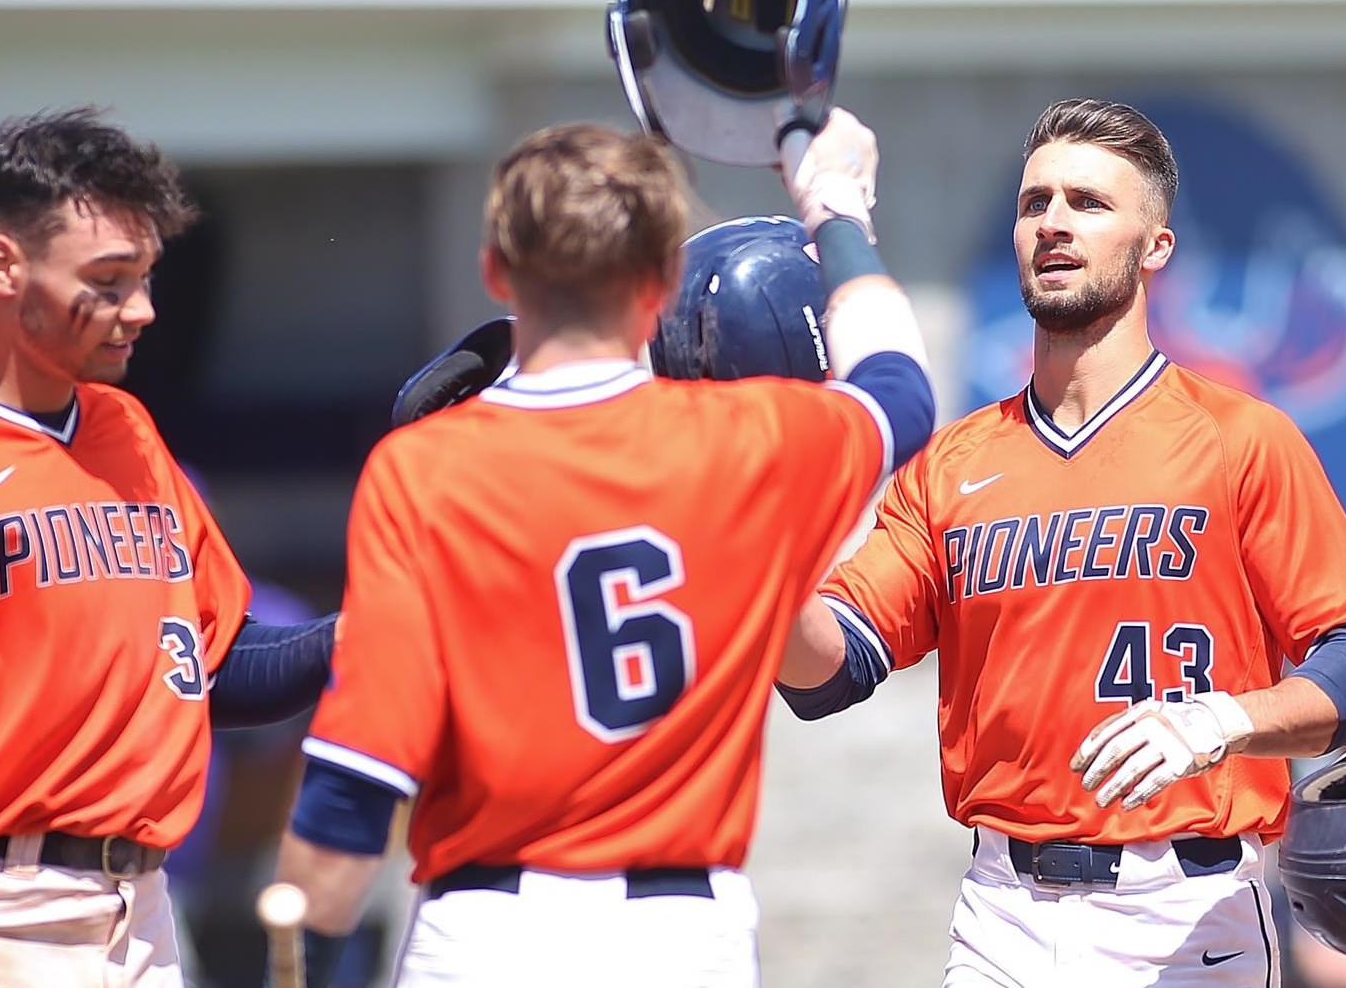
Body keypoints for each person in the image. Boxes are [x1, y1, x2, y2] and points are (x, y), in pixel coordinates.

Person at [270, 109, 936, 988]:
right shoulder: (752, 440)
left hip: (485, 934)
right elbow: (899, 384)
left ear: (496, 272)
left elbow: (358, 776)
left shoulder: (427, 465)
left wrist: (308, 941)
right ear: (662, 278)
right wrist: (837, 209)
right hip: (678, 939)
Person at [774, 98, 1346, 987]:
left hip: (1189, 910)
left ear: (1156, 247)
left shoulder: (1239, 437)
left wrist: (1226, 720)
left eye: (1089, 202)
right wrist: (757, 560)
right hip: (1003, 909)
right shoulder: (953, 461)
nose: (1055, 223)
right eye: (1036, 202)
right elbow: (828, 667)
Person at [0, 108, 338, 988]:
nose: (138, 309)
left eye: (144, 277)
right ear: (2, 265)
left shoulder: (127, 429)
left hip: (142, 911)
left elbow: (214, 666)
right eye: (106, 280)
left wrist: (388, 623)